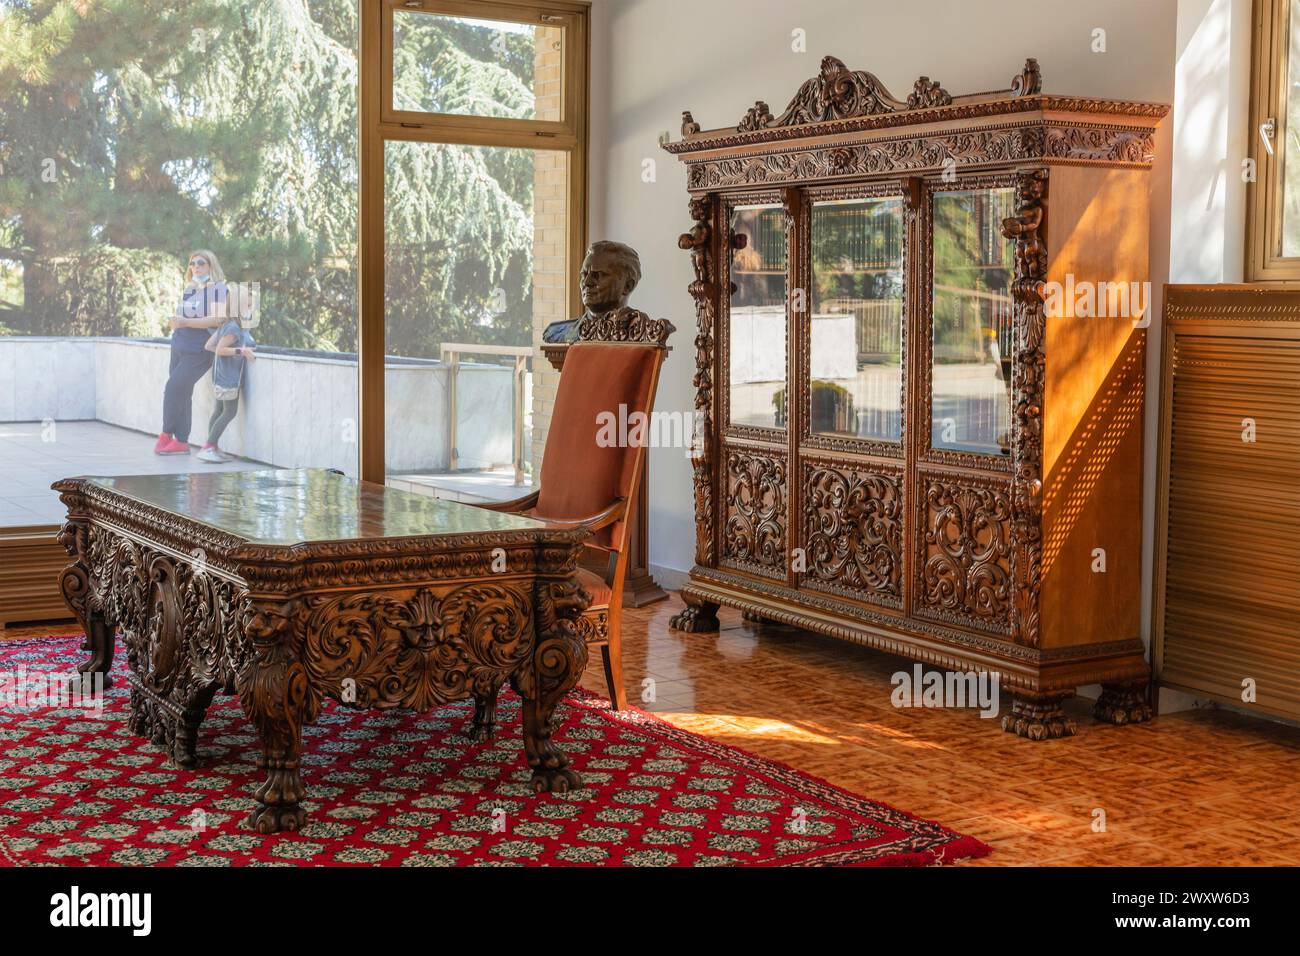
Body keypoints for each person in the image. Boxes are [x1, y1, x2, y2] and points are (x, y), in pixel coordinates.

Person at [155, 250, 229, 455]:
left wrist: (186, 322)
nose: (195, 266)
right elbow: (183, 314)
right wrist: (176, 321)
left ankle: (165, 433)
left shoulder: (219, 289)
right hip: (178, 345)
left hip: (199, 350)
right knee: (181, 392)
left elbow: (217, 320)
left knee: (172, 387)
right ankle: (181, 441)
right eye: (192, 263)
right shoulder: (191, 289)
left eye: (201, 263)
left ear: (211, 266)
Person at [541, 240, 641, 344]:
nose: (587, 282)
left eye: (598, 275)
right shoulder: (557, 332)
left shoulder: (643, 333)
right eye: (584, 274)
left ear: (628, 286)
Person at [196, 313, 255, 463]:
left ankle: (212, 448)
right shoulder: (234, 329)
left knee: (219, 410)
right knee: (229, 411)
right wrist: (241, 351)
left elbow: (209, 345)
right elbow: (219, 349)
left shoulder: (226, 325)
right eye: (247, 306)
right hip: (228, 377)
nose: (251, 309)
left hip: (220, 375)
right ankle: (208, 447)